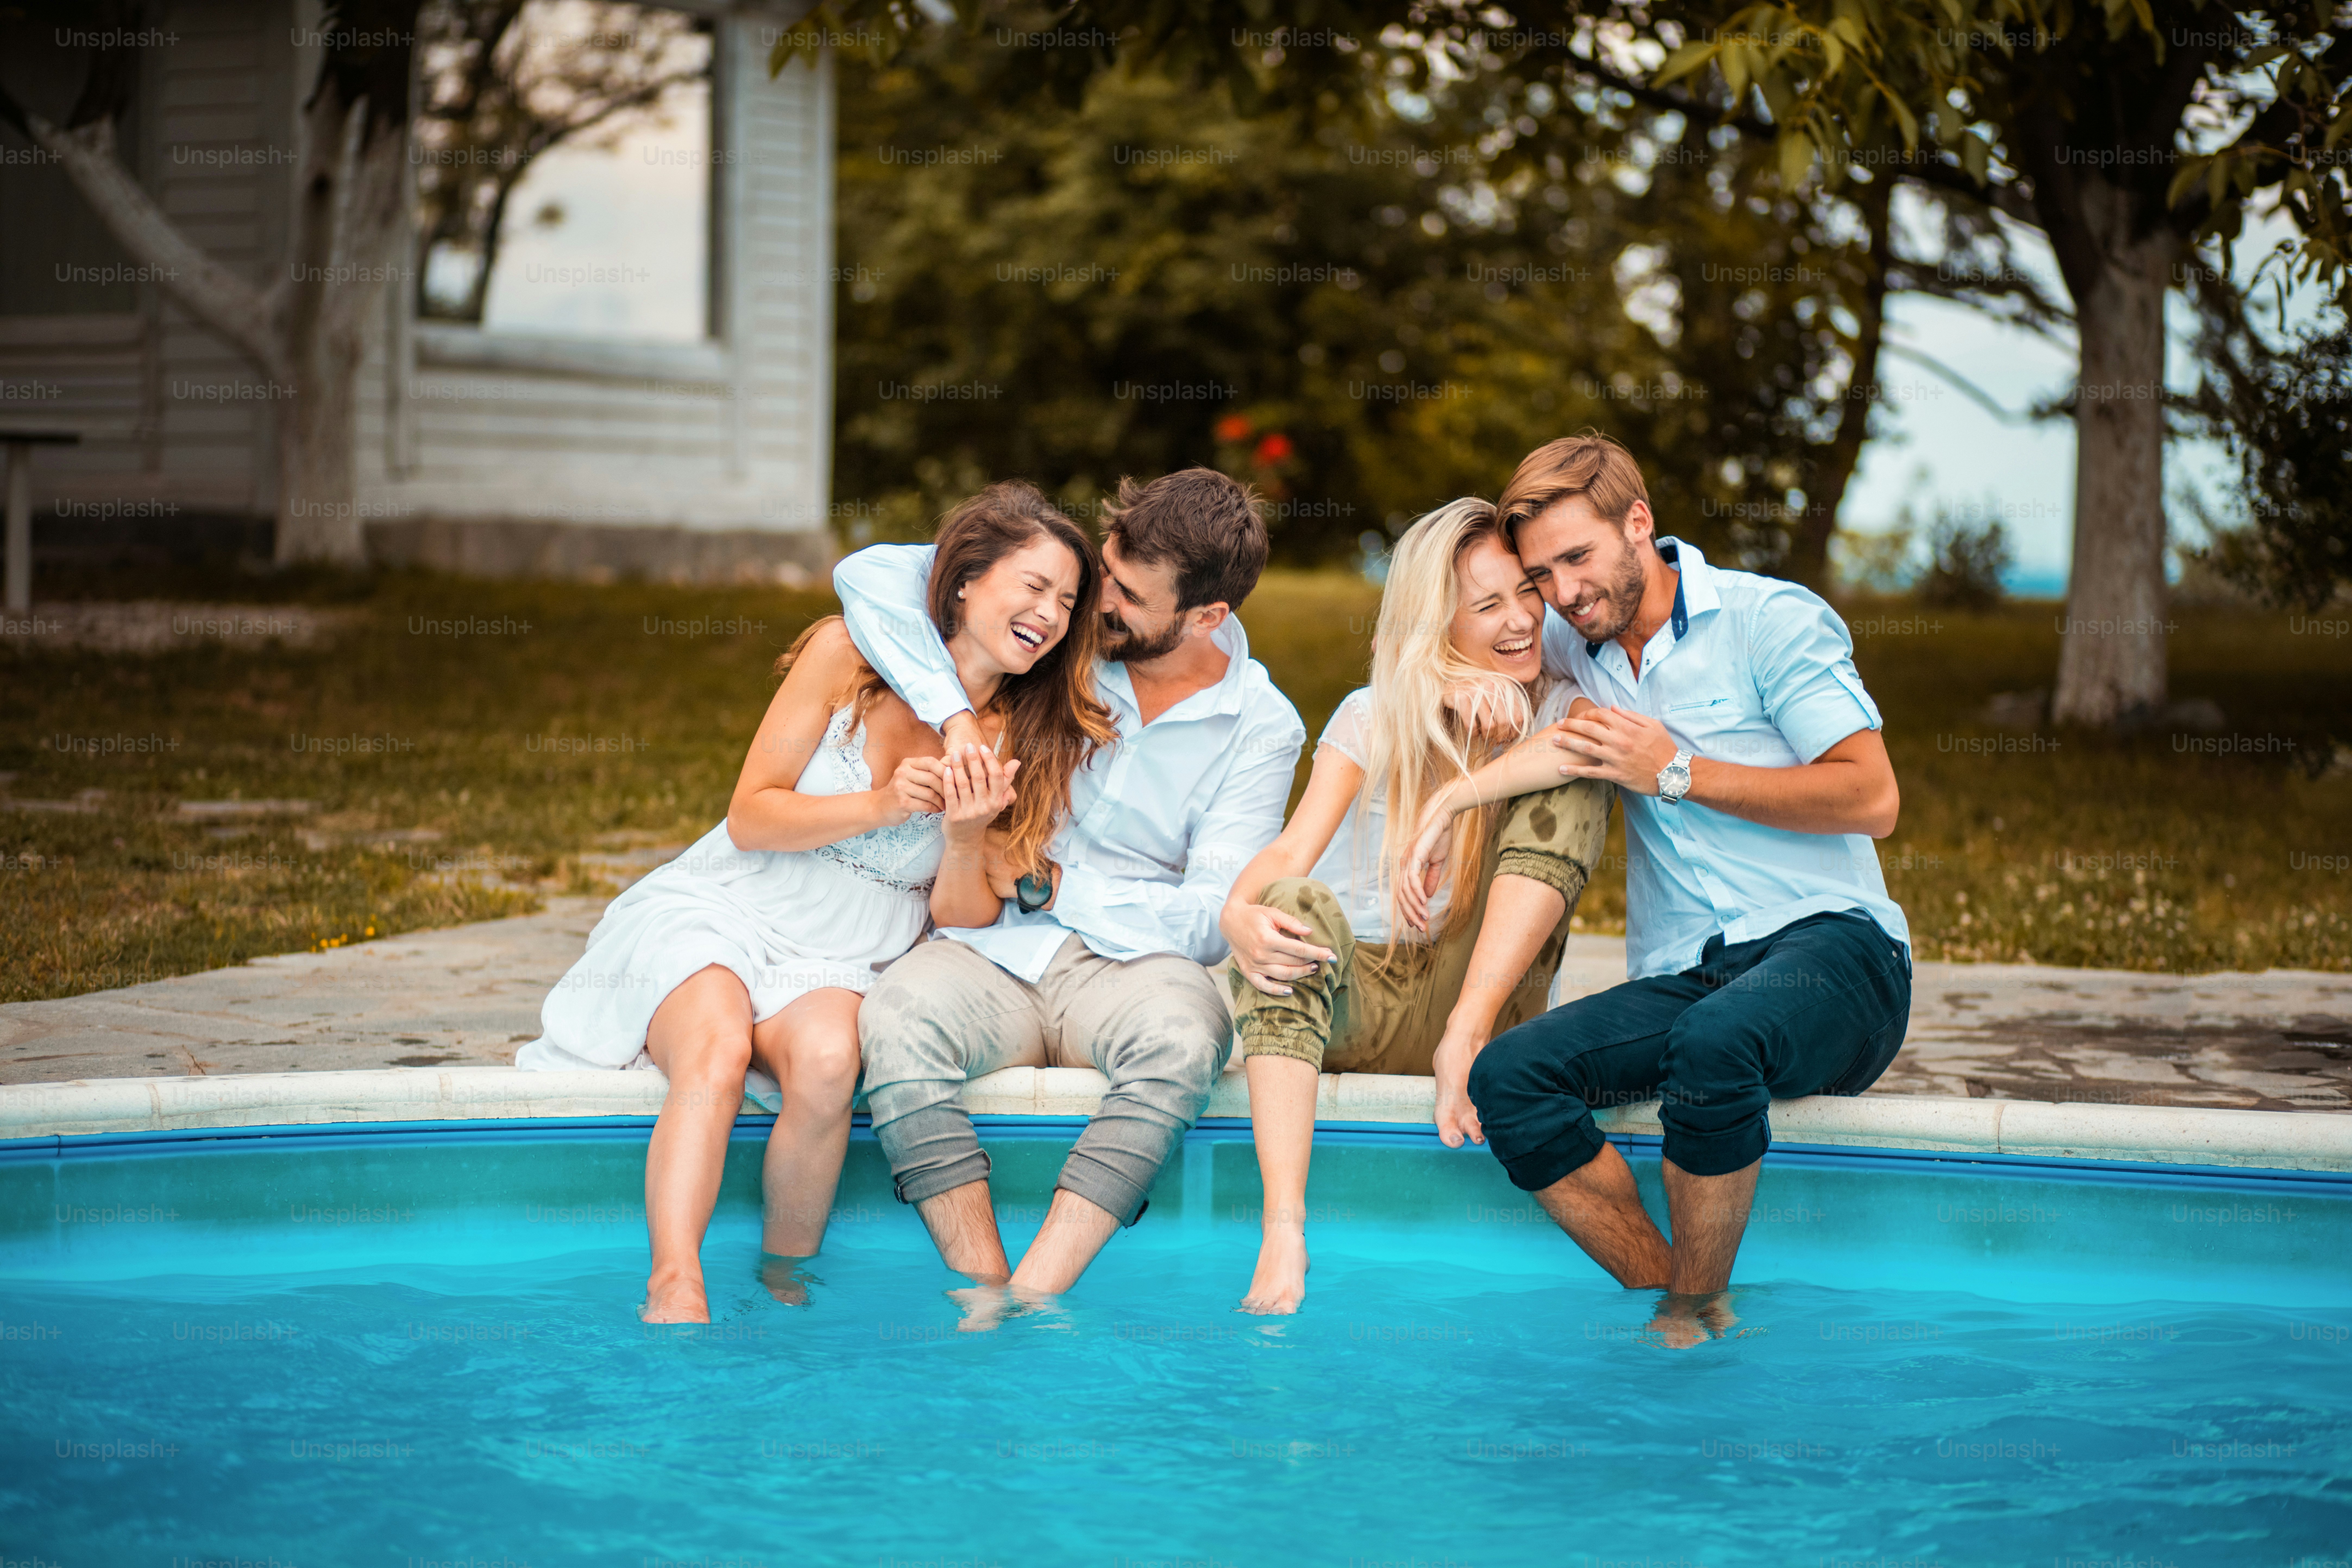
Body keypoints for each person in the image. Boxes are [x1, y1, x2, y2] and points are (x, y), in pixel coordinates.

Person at [518, 482, 1114, 1323]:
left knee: (833, 1066)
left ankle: (782, 1287)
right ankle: (676, 1283)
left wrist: (965, 837)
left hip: (850, 950)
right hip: (732, 903)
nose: (1050, 614)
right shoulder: (845, 656)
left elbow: (962, 919)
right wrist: (881, 804)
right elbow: (751, 817)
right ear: (967, 581)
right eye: (1033, 587)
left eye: (1066, 601)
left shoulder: (1023, 733)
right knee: (718, 1049)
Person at [1406, 433, 1912, 1345]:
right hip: (1694, 974)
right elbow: (1452, 633)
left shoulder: (1769, 620)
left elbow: (1871, 797)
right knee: (1511, 1077)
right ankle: (1679, 1293)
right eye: (1541, 574)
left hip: (1839, 954)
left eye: (1576, 559)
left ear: (1638, 524)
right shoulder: (1577, 638)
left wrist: (1676, 771)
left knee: (1716, 1046)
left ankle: (1689, 1313)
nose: (1559, 594)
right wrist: (1452, 768)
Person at [836, 468, 1305, 1311]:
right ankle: (978, 1282)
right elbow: (867, 574)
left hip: (1134, 967)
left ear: (1207, 617)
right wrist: (952, 717)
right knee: (895, 1020)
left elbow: (1209, 916)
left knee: (1183, 1040)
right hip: (990, 944)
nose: (1096, 603)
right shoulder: (1059, 638)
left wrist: (1052, 887)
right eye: (1107, 573)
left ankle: (1035, 1293)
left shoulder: (1262, 725)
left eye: (1127, 594)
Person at [1216, 497, 1612, 1314]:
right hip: (1364, 1000)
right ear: (1436, 622)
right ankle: (1284, 1230)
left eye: (1525, 594)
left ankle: (1459, 1043)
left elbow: (1585, 743)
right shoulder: (1373, 712)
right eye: (1486, 605)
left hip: (1482, 1008)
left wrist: (1460, 794)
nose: (1520, 622)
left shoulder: (1557, 704)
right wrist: (1235, 916)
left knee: (1572, 782)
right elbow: (1292, 852)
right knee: (1289, 900)